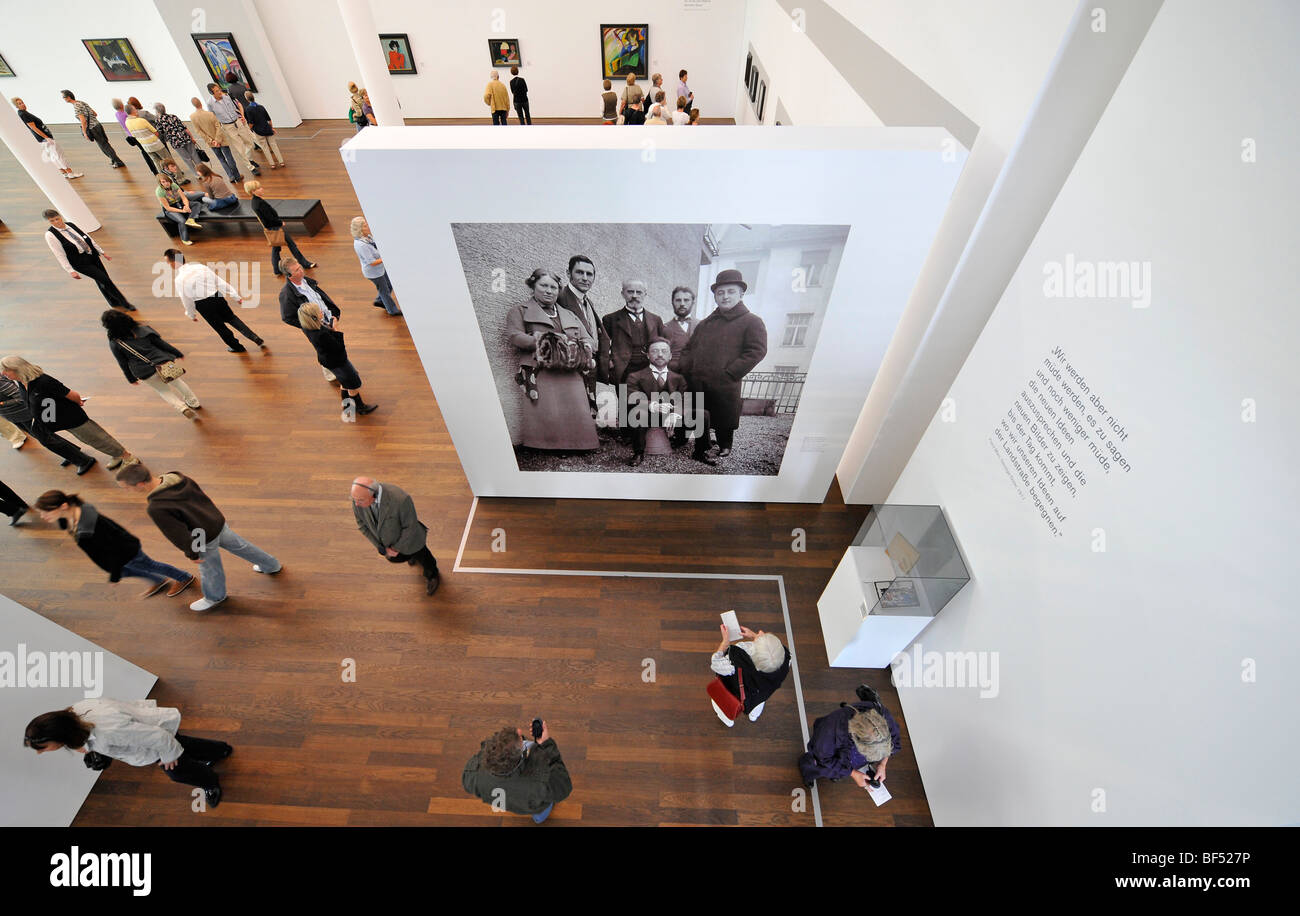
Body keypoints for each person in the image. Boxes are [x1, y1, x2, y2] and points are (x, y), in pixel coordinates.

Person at [117, 461, 281, 613]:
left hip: (201, 538)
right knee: (242, 546)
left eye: (127, 488)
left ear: (140, 484)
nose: (127, 491)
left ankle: (215, 597)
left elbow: (177, 534)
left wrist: (192, 553)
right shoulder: (178, 478)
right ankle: (271, 565)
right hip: (215, 522)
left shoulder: (156, 507)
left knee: (210, 570)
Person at [24, 699, 231, 808]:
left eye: (43, 748)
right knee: (185, 743)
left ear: (60, 735)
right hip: (143, 729)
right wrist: (96, 752)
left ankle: (210, 782)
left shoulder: (109, 733)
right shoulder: (78, 710)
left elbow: (158, 738)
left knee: (178, 772)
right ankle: (220, 749)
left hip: (155, 741)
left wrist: (170, 756)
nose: (42, 753)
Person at [34, 490, 195, 598]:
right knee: (129, 571)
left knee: (149, 565)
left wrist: (114, 576)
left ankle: (184, 577)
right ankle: (158, 581)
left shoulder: (88, 529)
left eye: (46, 512)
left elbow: (112, 548)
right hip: (119, 555)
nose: (43, 516)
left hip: (126, 553)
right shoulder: (75, 511)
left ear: (63, 506)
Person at [677, 269, 768, 459]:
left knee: (724, 415)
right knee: (701, 412)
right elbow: (688, 348)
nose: (725, 296)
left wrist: (730, 373)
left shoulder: (751, 321)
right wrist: (687, 368)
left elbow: (756, 351)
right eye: (720, 292)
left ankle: (725, 444)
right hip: (698, 381)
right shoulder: (705, 324)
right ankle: (702, 445)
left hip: (725, 381)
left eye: (730, 291)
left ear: (741, 294)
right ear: (715, 296)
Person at [506, 268, 598, 452]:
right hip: (540, 368)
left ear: (558, 290)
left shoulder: (569, 314)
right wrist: (547, 343)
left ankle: (580, 445)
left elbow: (588, 339)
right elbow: (514, 336)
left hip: (570, 368)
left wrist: (582, 348)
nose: (549, 291)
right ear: (533, 287)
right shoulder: (519, 311)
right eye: (544, 286)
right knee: (549, 409)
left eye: (553, 287)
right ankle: (549, 446)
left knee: (575, 407)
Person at [0, 356, 138, 471]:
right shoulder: (23, 383)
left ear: (17, 369)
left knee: (96, 437)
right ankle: (116, 454)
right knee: (89, 440)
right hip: (60, 419)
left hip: (71, 417)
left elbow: (71, 394)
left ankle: (127, 457)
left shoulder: (43, 381)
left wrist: (78, 402)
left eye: (6, 371)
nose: (3, 374)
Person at [624, 339, 713, 466]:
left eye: (664, 351)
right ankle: (638, 453)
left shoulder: (678, 378)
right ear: (648, 355)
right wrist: (654, 406)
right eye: (654, 351)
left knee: (702, 414)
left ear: (670, 355)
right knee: (638, 413)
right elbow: (632, 397)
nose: (660, 354)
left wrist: (675, 413)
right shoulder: (635, 376)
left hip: (671, 416)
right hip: (648, 415)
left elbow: (684, 400)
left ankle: (700, 452)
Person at [462, 721, 572, 823]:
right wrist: (547, 745)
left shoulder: (473, 775)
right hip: (533, 804)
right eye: (521, 739)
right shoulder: (540, 783)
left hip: (508, 802)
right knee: (540, 811)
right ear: (518, 760)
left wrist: (504, 743)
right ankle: (538, 817)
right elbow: (564, 787)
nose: (519, 731)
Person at [101, 310, 201, 419]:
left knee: (163, 391)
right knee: (178, 383)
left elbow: (122, 362)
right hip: (163, 363)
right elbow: (162, 344)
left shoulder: (115, 343)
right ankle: (193, 402)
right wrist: (177, 353)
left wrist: (131, 378)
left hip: (144, 371)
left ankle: (183, 408)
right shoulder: (142, 330)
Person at [798, 686, 902, 789]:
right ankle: (808, 773)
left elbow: (894, 743)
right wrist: (853, 773)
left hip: (848, 755)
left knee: (838, 771)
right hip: (829, 754)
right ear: (856, 742)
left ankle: (839, 772)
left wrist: (883, 764)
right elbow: (824, 758)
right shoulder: (828, 733)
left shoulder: (884, 716)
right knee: (819, 767)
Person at [163, 248, 265, 353]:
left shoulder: (179, 280)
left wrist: (191, 314)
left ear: (174, 263)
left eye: (168, 262)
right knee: (232, 318)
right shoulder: (201, 267)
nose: (168, 265)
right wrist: (236, 296)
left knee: (220, 327)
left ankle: (237, 347)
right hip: (217, 297)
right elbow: (219, 282)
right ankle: (254, 337)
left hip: (203, 305)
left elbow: (186, 300)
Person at [350, 477, 440, 595]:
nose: (356, 504)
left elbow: (410, 526)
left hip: (411, 540)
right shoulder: (358, 498)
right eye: (354, 499)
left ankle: (432, 575)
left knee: (424, 557)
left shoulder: (400, 499)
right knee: (399, 558)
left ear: (374, 495)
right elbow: (362, 525)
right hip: (388, 545)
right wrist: (379, 546)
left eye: (360, 500)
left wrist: (396, 548)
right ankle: (410, 556)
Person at [298, 301, 378, 418]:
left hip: (328, 361)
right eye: (318, 311)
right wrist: (336, 329)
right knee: (353, 383)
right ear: (314, 317)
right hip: (337, 361)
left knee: (344, 380)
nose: (322, 312)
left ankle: (347, 405)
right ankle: (360, 407)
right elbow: (339, 347)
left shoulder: (308, 328)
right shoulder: (321, 335)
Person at [43, 209, 135, 311]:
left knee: (102, 279)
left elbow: (88, 239)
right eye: (52, 221)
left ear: (60, 216)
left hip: (92, 255)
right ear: (48, 222)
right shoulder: (50, 235)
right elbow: (59, 254)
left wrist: (102, 252)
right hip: (80, 263)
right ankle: (125, 303)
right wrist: (70, 270)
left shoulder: (71, 225)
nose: (56, 222)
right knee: (105, 280)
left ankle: (112, 301)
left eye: (57, 218)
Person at [0, 374, 94, 473]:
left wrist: (2, 404)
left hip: (25, 414)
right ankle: (72, 452)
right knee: (47, 437)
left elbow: (20, 398)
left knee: (46, 440)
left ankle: (84, 461)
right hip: (14, 416)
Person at [709, 623, 791, 727]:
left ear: (753, 651)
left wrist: (724, 644)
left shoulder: (737, 657)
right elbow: (770, 653)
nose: (760, 632)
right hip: (760, 693)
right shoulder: (785, 660)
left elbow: (716, 664)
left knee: (720, 704)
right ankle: (753, 715)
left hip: (737, 692)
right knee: (758, 702)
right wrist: (755, 637)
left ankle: (728, 720)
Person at [602, 279, 665, 385]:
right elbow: (603, 346)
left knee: (652, 401)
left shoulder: (656, 320)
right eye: (630, 292)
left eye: (639, 292)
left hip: (650, 372)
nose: (635, 296)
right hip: (624, 373)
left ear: (645, 294)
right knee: (624, 401)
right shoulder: (610, 319)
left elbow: (663, 345)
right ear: (623, 294)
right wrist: (610, 363)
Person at [249, 180, 315, 277]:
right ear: (253, 191)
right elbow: (269, 218)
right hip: (275, 228)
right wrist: (280, 222)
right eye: (258, 188)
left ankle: (276, 270)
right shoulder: (259, 203)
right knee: (291, 245)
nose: (261, 189)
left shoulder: (255, 202)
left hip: (272, 228)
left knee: (276, 249)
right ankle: (305, 264)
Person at [11, 98, 82, 178]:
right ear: (16, 106)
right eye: (19, 104)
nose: (23, 104)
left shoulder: (23, 113)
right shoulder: (23, 114)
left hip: (43, 139)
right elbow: (33, 128)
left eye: (22, 102)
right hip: (44, 139)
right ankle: (70, 173)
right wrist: (46, 137)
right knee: (59, 155)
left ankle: (64, 173)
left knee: (54, 156)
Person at [350, 217, 402, 316]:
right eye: (365, 226)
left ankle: (379, 300)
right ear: (359, 229)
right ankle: (392, 310)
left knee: (389, 284)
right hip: (374, 272)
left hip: (380, 268)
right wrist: (386, 258)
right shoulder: (361, 245)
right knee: (384, 291)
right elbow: (371, 262)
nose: (368, 226)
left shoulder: (367, 237)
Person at [206, 83, 261, 178]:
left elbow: (236, 107)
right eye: (216, 91)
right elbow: (213, 117)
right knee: (240, 148)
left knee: (250, 143)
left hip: (238, 122)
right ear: (212, 93)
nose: (219, 92)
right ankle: (251, 167)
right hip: (228, 127)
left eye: (219, 89)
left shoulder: (227, 97)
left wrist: (242, 116)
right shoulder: (210, 104)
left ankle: (249, 159)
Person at [61, 90, 126, 167]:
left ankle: (118, 162)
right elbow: (95, 114)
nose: (63, 99)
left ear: (68, 97)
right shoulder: (82, 102)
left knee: (104, 146)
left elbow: (83, 121)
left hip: (93, 128)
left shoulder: (76, 106)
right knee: (105, 144)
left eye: (63, 97)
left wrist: (84, 132)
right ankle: (114, 159)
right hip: (98, 125)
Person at [189, 96, 240, 184]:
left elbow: (199, 131)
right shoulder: (210, 114)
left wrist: (211, 141)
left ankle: (231, 176)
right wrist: (217, 140)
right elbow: (218, 126)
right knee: (229, 157)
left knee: (221, 159)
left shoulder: (192, 117)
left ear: (193, 105)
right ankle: (237, 176)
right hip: (221, 140)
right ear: (201, 103)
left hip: (211, 143)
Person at [152, 102, 201, 180]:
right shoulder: (173, 116)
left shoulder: (159, 120)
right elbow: (184, 127)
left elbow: (160, 132)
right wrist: (192, 137)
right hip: (186, 138)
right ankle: (203, 172)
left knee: (186, 159)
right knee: (195, 155)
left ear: (157, 111)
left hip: (175, 142)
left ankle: (197, 174)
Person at [155, 173, 204, 245]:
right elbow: (168, 208)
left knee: (197, 204)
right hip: (170, 209)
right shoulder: (159, 191)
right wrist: (182, 211)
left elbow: (184, 198)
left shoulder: (174, 185)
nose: (166, 183)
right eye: (163, 182)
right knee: (182, 220)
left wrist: (186, 206)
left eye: (167, 181)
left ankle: (191, 219)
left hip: (179, 203)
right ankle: (185, 239)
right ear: (160, 183)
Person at [241, 92, 285, 168]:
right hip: (267, 129)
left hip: (258, 131)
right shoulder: (261, 107)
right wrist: (272, 128)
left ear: (246, 99)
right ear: (253, 97)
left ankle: (272, 164)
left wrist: (249, 129)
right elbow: (269, 119)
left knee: (265, 148)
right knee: (274, 146)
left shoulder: (248, 109)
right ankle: (281, 162)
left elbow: (251, 122)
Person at [124, 103, 167, 171]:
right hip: (155, 144)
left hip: (145, 146)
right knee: (167, 159)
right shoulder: (142, 119)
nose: (136, 111)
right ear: (133, 111)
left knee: (157, 162)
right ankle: (178, 178)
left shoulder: (127, 122)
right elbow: (156, 132)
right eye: (135, 109)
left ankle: (163, 179)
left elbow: (134, 135)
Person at [662, 286, 698, 366]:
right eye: (678, 300)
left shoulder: (702, 325)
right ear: (672, 302)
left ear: (693, 303)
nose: (682, 304)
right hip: (673, 374)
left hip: (696, 373)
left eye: (686, 300)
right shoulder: (664, 328)